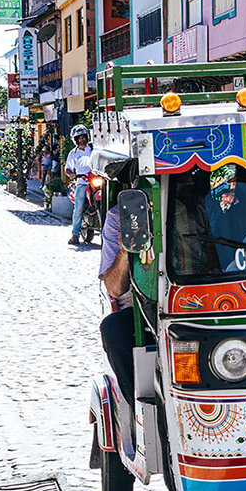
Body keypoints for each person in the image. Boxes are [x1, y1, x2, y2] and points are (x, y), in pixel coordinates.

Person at [96, 167, 148, 405]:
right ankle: (137, 407)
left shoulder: (200, 208)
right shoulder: (118, 218)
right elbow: (114, 289)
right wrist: (125, 251)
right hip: (140, 312)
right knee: (113, 328)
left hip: (191, 303)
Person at [65, 127, 94, 246]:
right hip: (82, 182)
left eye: (84, 137)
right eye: (79, 138)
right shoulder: (73, 153)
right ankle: (75, 234)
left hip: (95, 180)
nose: (82, 140)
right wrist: (72, 174)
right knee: (78, 208)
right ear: (76, 140)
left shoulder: (93, 149)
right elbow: (68, 168)